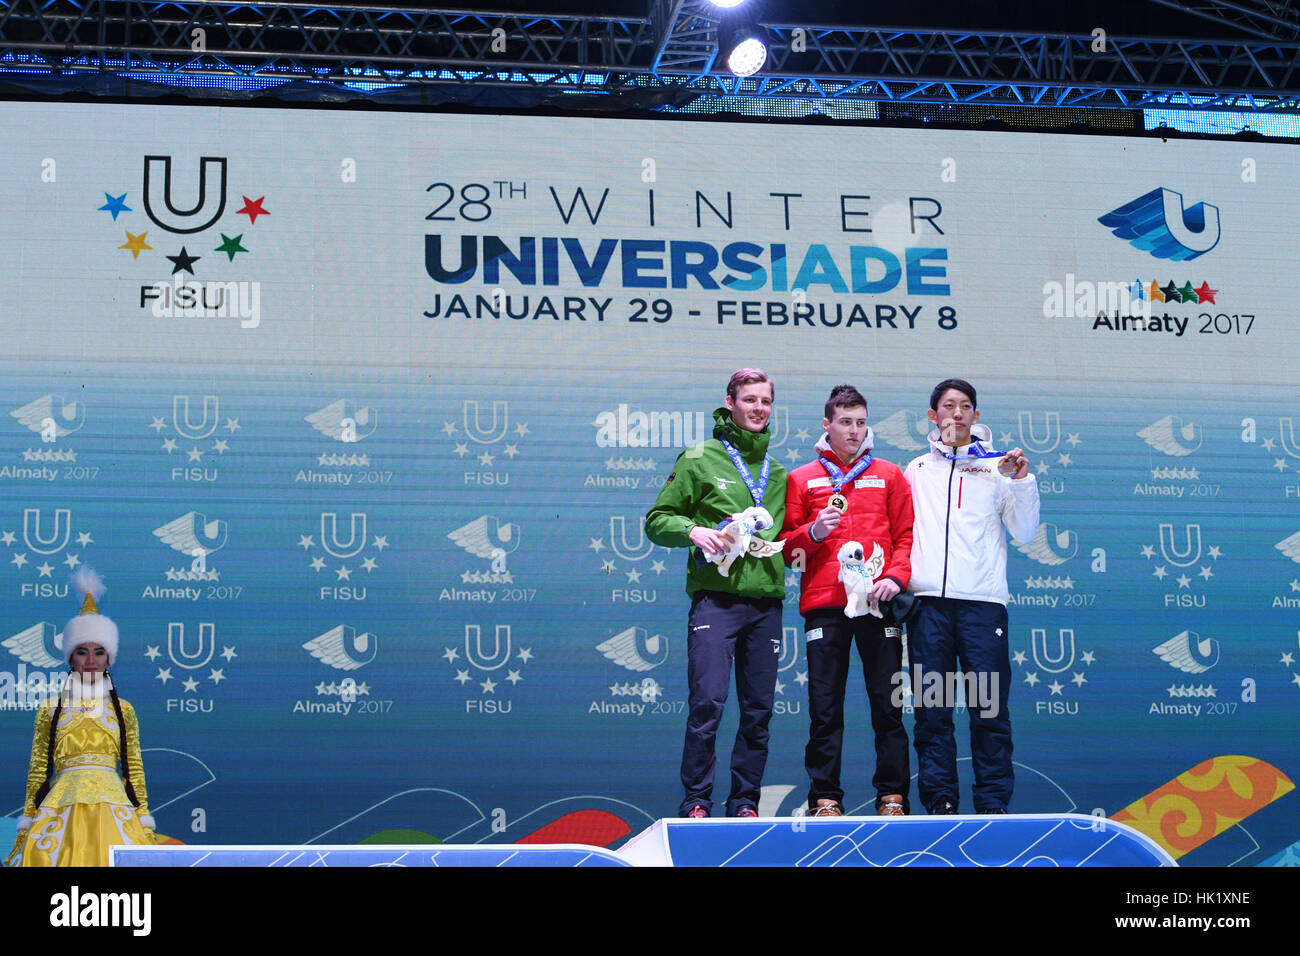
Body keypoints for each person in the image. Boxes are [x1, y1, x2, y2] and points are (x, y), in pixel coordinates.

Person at [646, 368, 786, 819]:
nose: (758, 408)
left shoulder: (778, 473)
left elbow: (789, 534)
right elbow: (657, 521)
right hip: (715, 601)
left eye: (765, 401)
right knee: (707, 703)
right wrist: (696, 531)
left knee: (758, 711)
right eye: (749, 400)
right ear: (730, 402)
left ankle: (745, 802)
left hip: (765, 604)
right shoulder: (699, 458)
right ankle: (696, 802)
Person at [903, 379, 1039, 814]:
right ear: (932, 416)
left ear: (976, 416)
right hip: (927, 607)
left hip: (982, 606)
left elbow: (1025, 531)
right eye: (948, 406)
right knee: (933, 711)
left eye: (965, 407)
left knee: (989, 709)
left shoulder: (999, 468)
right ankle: (940, 800)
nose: (956, 414)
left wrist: (1021, 480)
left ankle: (993, 803)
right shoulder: (915, 470)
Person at [782, 384, 914, 817]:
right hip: (825, 603)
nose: (855, 432)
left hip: (879, 602)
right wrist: (815, 532)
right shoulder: (802, 478)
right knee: (825, 708)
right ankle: (825, 798)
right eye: (845, 423)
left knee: (887, 705)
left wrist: (895, 577)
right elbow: (786, 550)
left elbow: (905, 537)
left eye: (861, 422)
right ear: (827, 425)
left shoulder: (890, 474)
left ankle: (892, 796)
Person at [6, 567, 156, 866]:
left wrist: (144, 820)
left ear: (109, 657)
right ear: (70, 657)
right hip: (60, 813)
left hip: (114, 813)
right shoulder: (49, 709)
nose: (91, 660)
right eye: (82, 651)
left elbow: (134, 770)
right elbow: (37, 772)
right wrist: (27, 823)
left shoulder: (123, 709)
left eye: (99, 652)